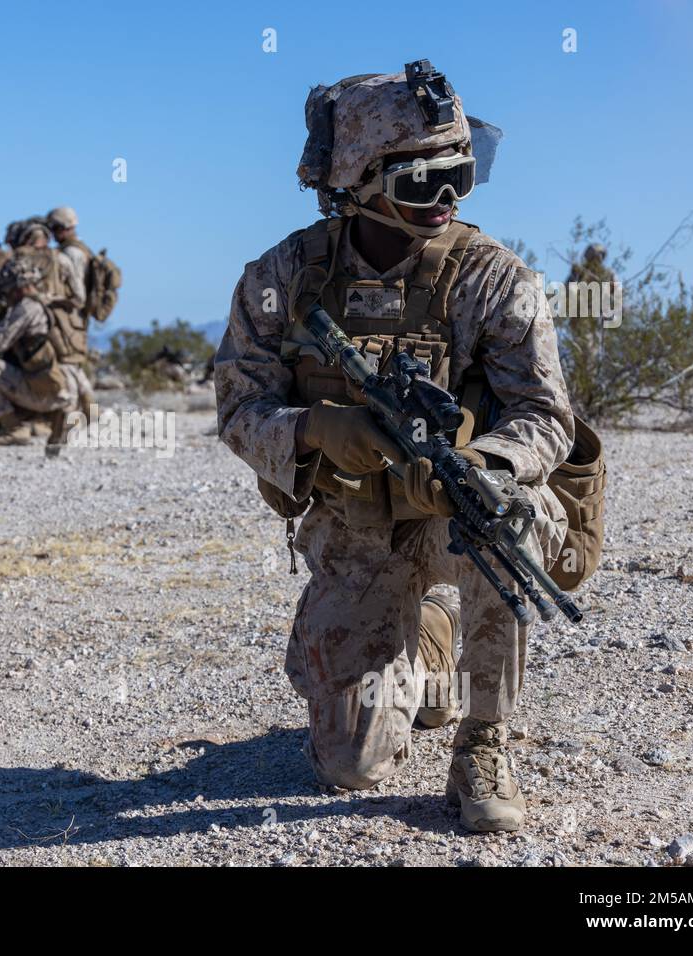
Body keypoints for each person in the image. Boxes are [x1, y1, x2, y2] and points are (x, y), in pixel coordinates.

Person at [214, 62, 573, 833]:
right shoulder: (285, 276)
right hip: (355, 530)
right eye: (423, 184)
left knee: (510, 520)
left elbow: (546, 415)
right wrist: (316, 431)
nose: (445, 202)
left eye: (461, 178)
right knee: (351, 766)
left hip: (455, 518)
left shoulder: (494, 279)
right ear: (360, 181)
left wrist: (489, 465)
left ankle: (485, 735)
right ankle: (421, 643)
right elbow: (239, 406)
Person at [0, 257, 88, 454]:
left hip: (44, 390)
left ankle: (14, 428)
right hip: (67, 385)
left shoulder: (26, 308)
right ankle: (65, 415)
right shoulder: (53, 302)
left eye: (7, 291)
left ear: (17, 288)